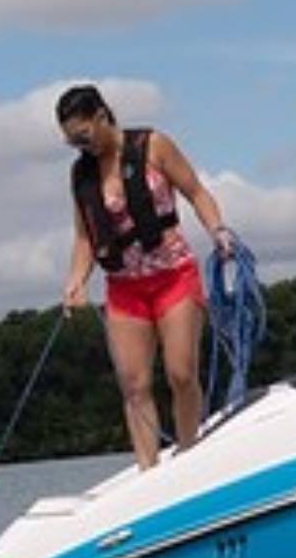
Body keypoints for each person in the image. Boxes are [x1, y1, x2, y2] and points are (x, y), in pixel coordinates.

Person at [55, 84, 238, 471]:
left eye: (84, 136)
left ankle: (190, 456)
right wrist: (76, 280)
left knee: (181, 372)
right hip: (125, 288)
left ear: (102, 117)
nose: (80, 147)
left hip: (173, 275)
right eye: (72, 142)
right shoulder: (81, 175)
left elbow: (196, 192)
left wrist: (218, 230)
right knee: (135, 386)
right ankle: (147, 470)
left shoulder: (153, 146)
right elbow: (85, 237)